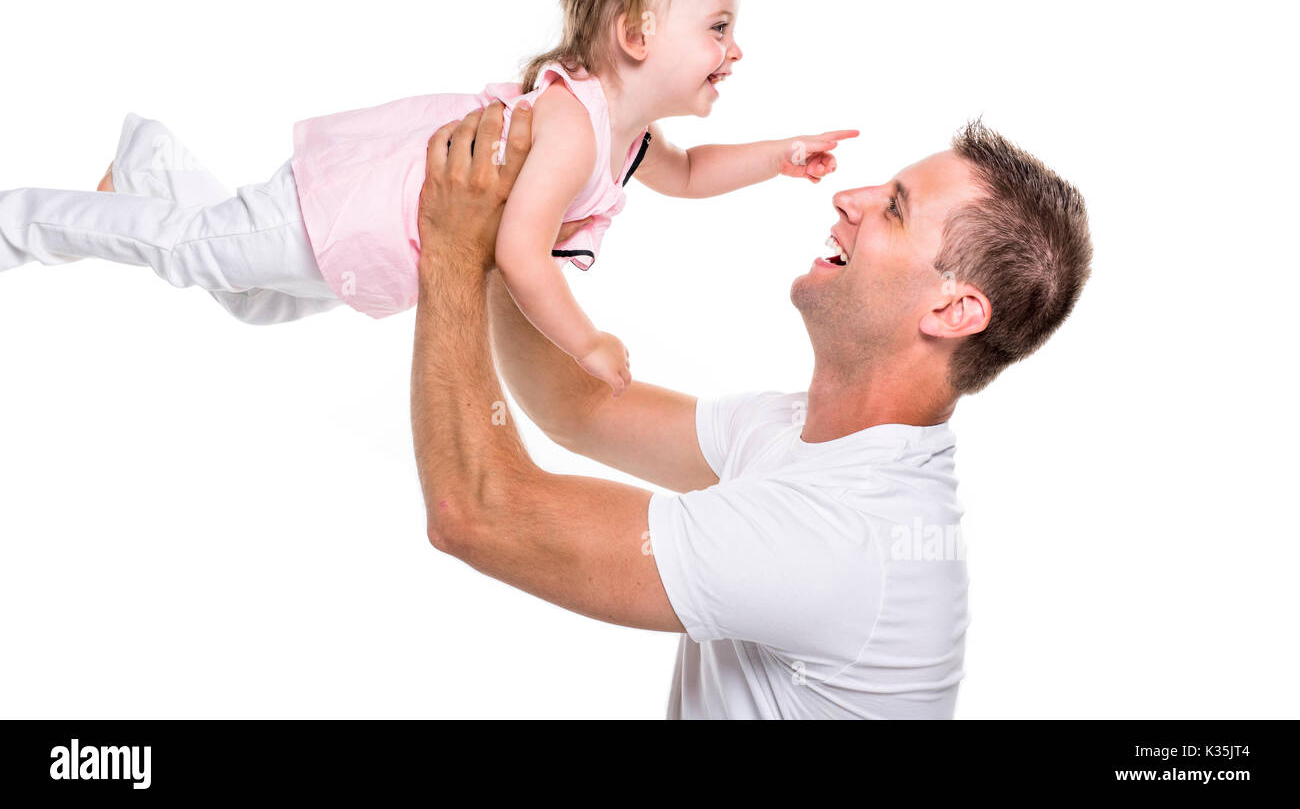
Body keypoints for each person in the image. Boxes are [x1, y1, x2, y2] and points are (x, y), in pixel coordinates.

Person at [411, 100, 1092, 720]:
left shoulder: (845, 535)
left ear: (951, 309)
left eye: (893, 209)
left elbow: (474, 514)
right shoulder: (795, 433)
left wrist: (453, 247)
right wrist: (515, 239)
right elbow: (578, 409)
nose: (847, 197)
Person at [0, 0, 855, 396]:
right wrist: (586, 342)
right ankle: (17, 225)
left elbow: (695, 173)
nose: (733, 50)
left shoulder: (626, 140)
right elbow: (523, 253)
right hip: (334, 213)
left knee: (250, 302)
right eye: (717, 29)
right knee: (191, 254)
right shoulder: (571, 124)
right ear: (636, 35)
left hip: (368, 249)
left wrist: (781, 154)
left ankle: (147, 164)